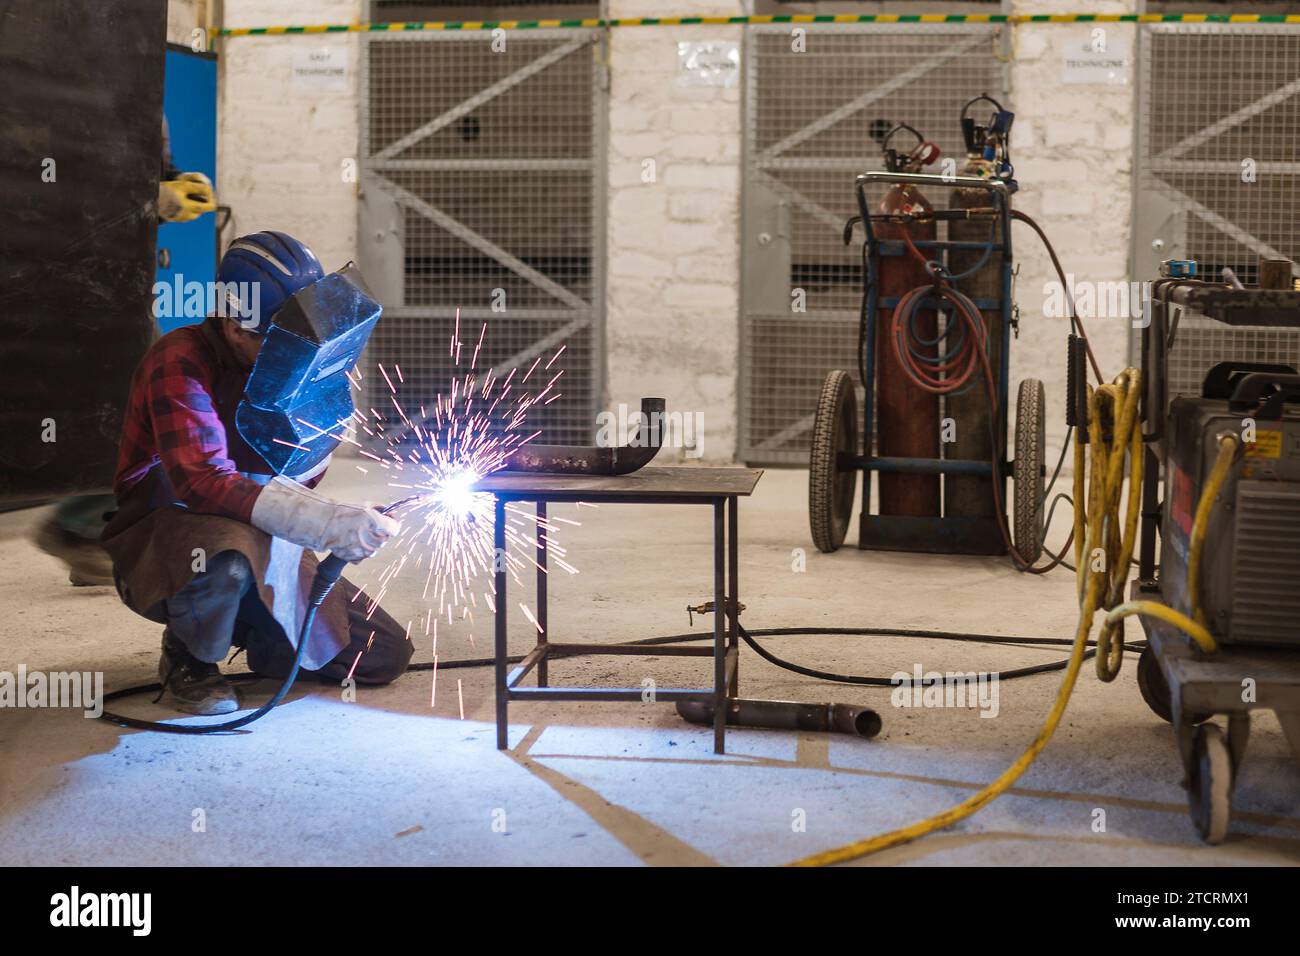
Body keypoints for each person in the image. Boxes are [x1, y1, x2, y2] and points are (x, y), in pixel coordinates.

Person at [101, 231, 412, 715]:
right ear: (231, 326)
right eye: (274, 341)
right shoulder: (179, 360)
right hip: (166, 533)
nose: (286, 356)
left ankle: (254, 628)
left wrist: (319, 448)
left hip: (258, 535)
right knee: (227, 553)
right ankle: (190, 658)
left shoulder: (287, 366)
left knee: (381, 656)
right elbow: (201, 481)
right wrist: (324, 521)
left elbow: (296, 483)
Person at [35, 118, 217, 585]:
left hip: (124, 286)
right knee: (142, 404)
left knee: (135, 406)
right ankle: (76, 527)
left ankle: (96, 533)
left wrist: (176, 184)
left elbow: (146, 169)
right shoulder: (69, 105)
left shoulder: (139, 98)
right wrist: (149, 202)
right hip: (77, 285)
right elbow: (61, 195)